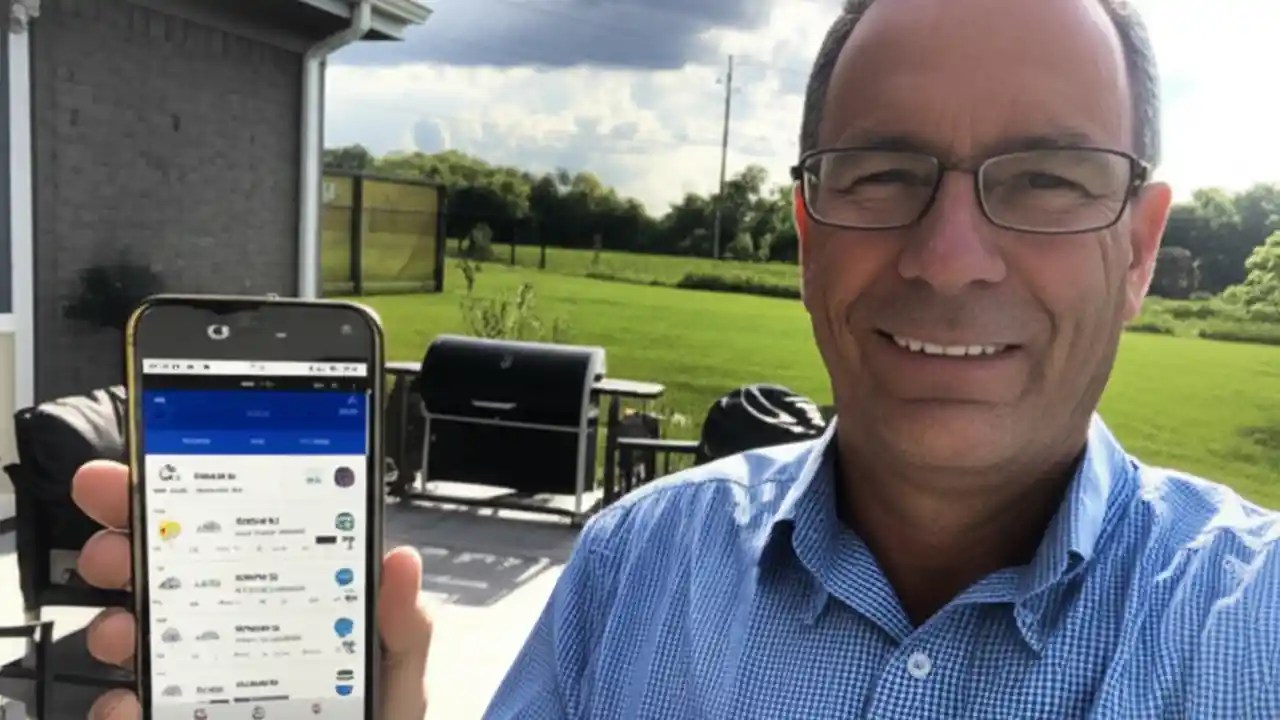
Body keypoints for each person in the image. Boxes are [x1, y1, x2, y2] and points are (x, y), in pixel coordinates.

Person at [74, 0, 1279, 718]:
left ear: (1137, 250)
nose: (948, 256)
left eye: (1046, 180)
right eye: (880, 175)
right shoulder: (632, 567)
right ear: (806, 239)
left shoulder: (1254, 625)